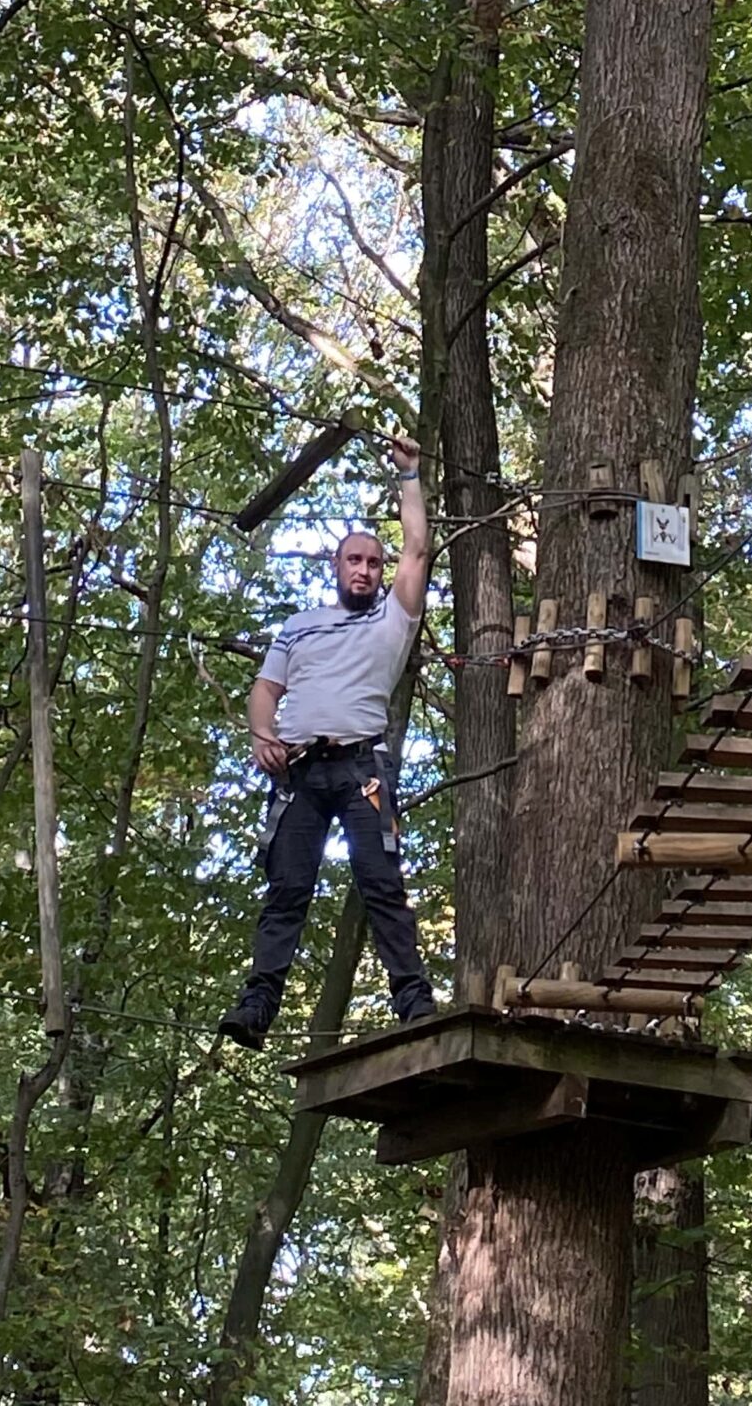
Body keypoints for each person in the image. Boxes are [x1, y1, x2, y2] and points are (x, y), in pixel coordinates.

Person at [217, 437, 439, 1047]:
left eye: (373, 562)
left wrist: (410, 477)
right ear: (336, 569)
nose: (365, 570)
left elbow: (417, 548)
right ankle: (258, 1005)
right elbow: (265, 689)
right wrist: (261, 735)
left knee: (381, 883)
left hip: (362, 770)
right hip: (298, 775)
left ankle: (414, 1002)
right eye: (354, 561)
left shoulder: (393, 617)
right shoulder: (299, 625)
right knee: (287, 887)